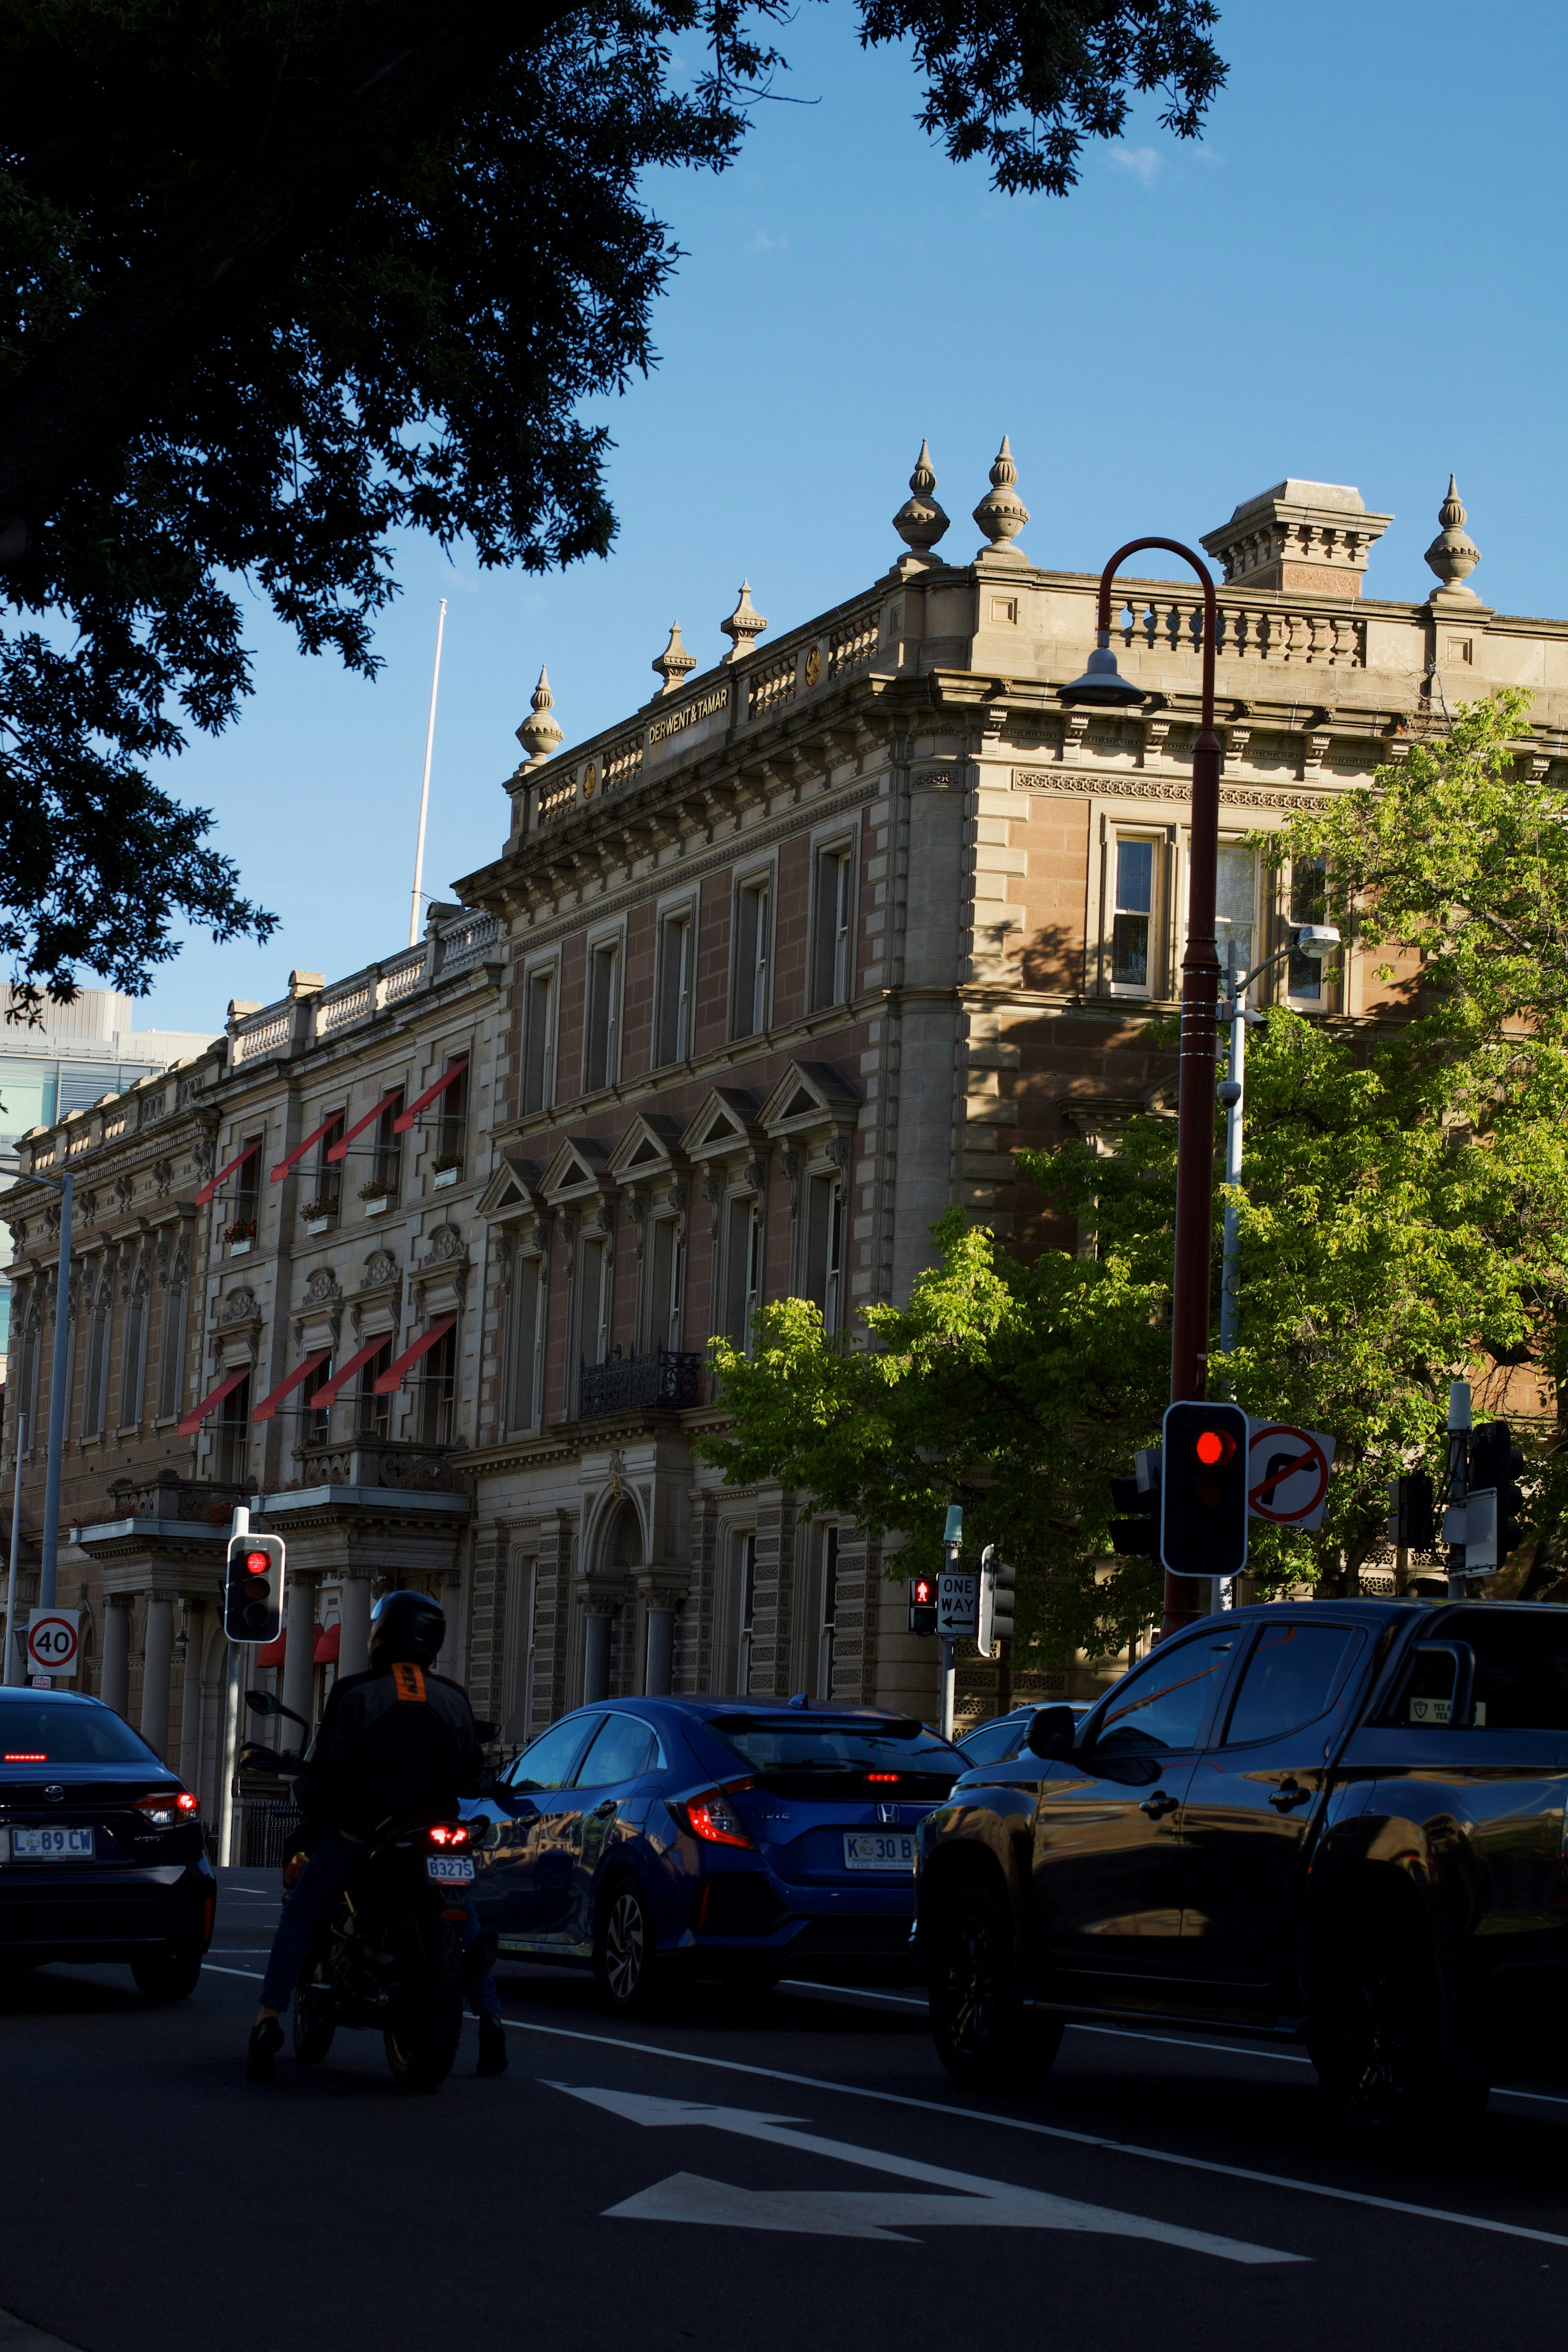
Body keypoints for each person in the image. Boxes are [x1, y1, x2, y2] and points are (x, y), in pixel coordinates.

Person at [246, 1588, 506, 2082]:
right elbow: (471, 1769)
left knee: (301, 1912)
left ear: (382, 1632)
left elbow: (330, 1771)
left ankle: (266, 2021)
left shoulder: (355, 1692)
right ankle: (492, 2023)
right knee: (465, 1919)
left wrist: (324, 1803)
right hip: (436, 1831)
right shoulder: (454, 1698)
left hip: (366, 1833)